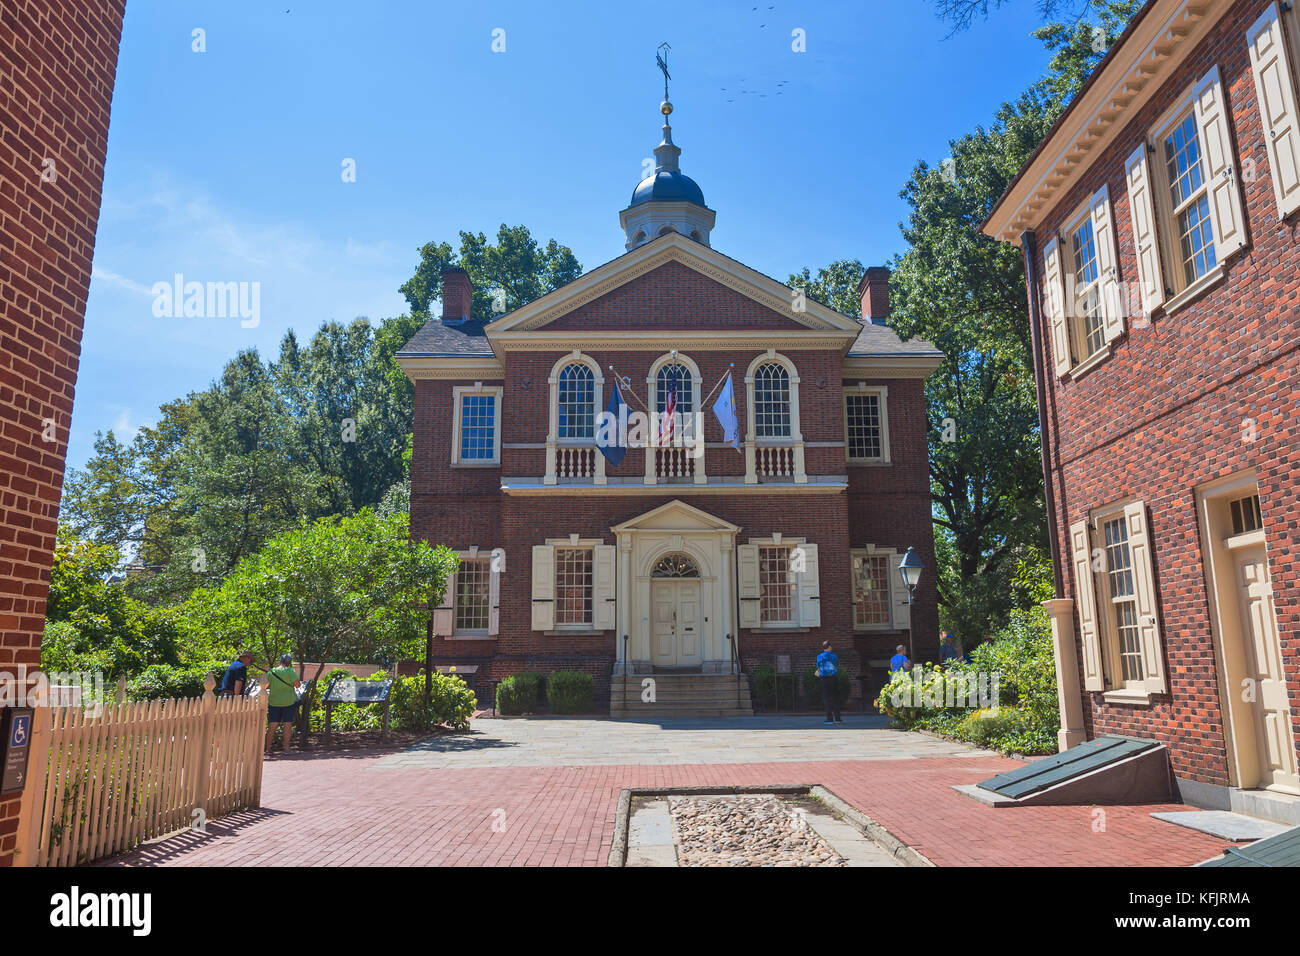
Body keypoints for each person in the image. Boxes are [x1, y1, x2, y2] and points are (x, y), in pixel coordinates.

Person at [266, 653, 301, 753]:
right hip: (288, 702)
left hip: (273, 702)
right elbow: (297, 685)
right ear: (289, 663)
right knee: (287, 725)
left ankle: (268, 749)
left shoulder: (271, 672)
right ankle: (286, 749)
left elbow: (267, 685)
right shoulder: (290, 671)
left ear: (280, 661)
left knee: (272, 726)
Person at [815, 640, 842, 724]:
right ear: (829, 647)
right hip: (833, 678)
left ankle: (829, 719)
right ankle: (837, 718)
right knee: (835, 698)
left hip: (824, 678)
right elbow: (836, 665)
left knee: (826, 698)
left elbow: (818, 667)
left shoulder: (819, 656)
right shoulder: (834, 656)